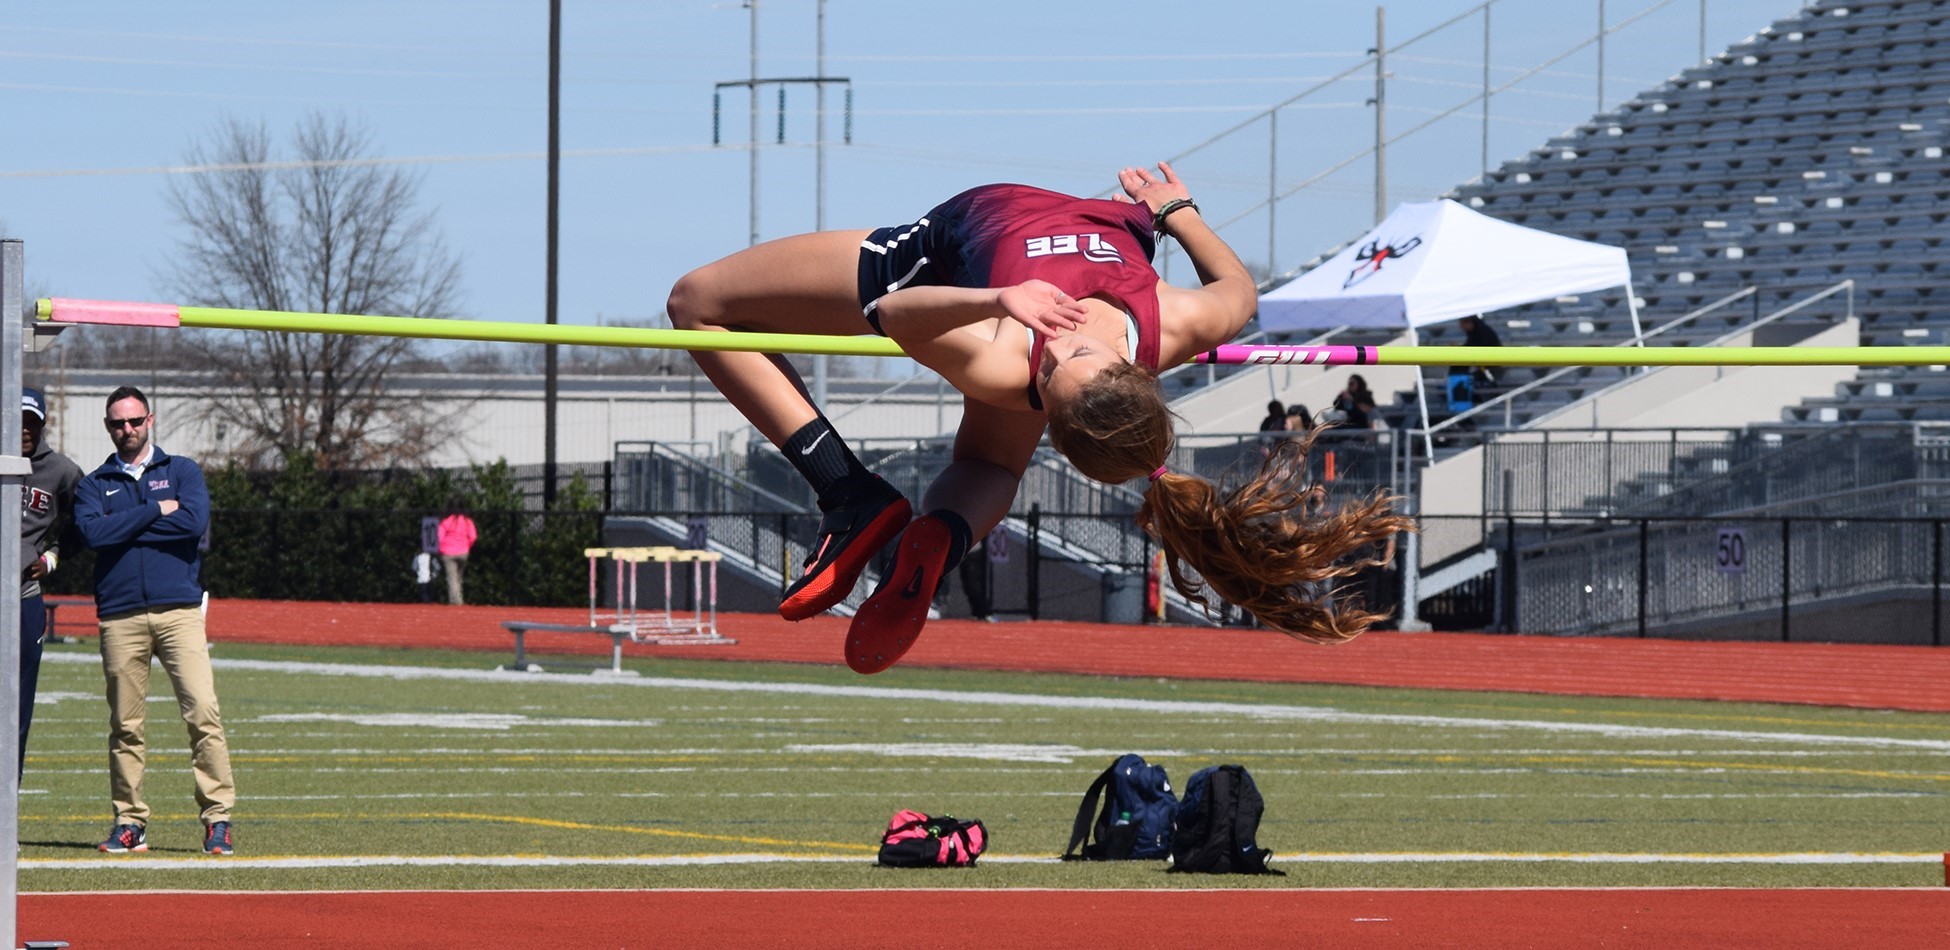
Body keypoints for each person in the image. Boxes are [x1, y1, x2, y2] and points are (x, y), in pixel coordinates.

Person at [666, 163, 1412, 674]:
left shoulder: (1006, 360)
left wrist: (998, 301)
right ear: (1133, 370)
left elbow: (890, 313)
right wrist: (1179, 213)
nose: (1053, 352)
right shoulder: (1177, 322)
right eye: (1070, 360)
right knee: (989, 465)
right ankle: (940, 535)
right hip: (1020, 261)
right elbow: (1240, 290)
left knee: (697, 303)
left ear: (1046, 419)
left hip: (953, 249)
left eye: (1044, 384)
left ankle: (848, 492)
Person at [73, 386, 235, 856]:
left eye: (134, 421)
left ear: (151, 420)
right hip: (120, 616)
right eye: (117, 423)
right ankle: (130, 822)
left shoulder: (181, 470)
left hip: (179, 612)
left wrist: (124, 521)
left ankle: (218, 819)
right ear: (108, 427)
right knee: (126, 725)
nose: (127, 430)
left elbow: (192, 522)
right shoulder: (92, 483)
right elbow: (92, 534)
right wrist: (151, 511)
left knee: (204, 714)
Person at [18, 387, 82, 780]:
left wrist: (52, 557)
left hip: (23, 596)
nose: (25, 429)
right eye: (18, 420)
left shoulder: (60, 469)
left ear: (43, 425)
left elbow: (87, 519)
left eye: (33, 422)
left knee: (19, 704)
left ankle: (5, 809)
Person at [437, 500, 477, 606]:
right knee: (459, 577)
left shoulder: (446, 521)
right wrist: (467, 546)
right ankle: (459, 598)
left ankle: (456, 602)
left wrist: (440, 549)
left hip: (448, 552)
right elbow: (473, 536)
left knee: (452, 578)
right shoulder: (467, 521)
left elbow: (439, 538)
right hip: (463, 551)